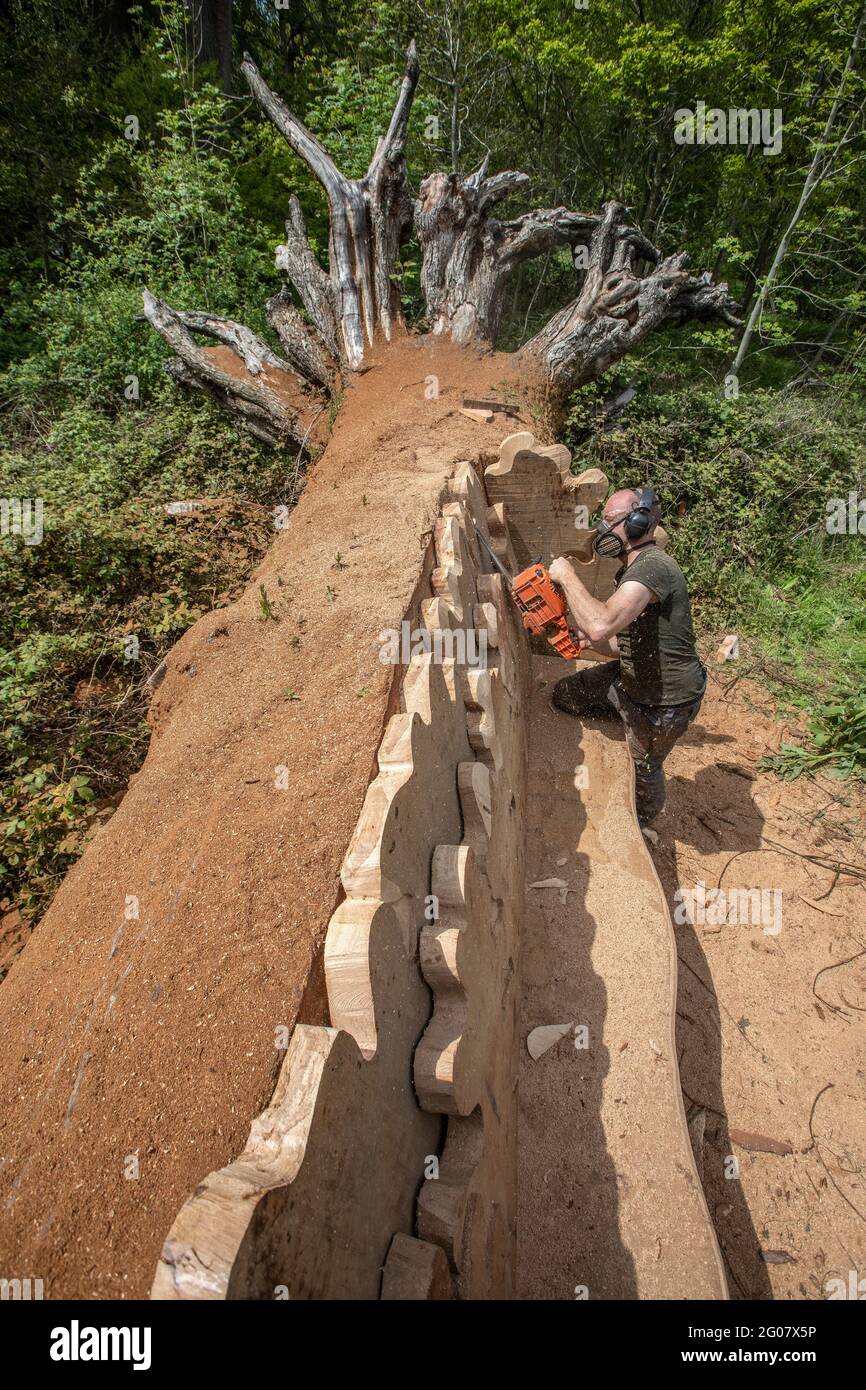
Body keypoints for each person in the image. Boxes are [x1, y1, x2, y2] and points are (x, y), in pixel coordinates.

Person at [547, 487, 706, 828]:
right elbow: (624, 643)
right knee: (564, 695)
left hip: (664, 702)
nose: (602, 531)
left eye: (608, 522)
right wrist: (588, 642)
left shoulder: (652, 569)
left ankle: (644, 822)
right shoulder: (633, 570)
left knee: (644, 767)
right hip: (632, 679)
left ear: (636, 524)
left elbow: (602, 624)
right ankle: (625, 712)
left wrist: (566, 575)